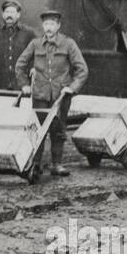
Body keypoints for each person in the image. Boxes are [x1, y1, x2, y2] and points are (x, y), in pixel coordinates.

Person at [15, 10, 89, 176]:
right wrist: (24, 85)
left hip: (60, 96)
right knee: (37, 130)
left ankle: (57, 164)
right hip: (40, 95)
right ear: (43, 26)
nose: (48, 28)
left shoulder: (68, 44)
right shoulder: (35, 44)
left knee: (58, 129)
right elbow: (20, 65)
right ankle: (36, 164)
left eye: (52, 24)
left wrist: (72, 87)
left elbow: (82, 69)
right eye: (46, 24)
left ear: (58, 26)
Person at [0, 0, 37, 91]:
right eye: (7, 12)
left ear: (18, 15)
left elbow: (36, 53)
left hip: (21, 84)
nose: (9, 15)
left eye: (12, 12)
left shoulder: (29, 33)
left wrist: (33, 67)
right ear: (3, 14)